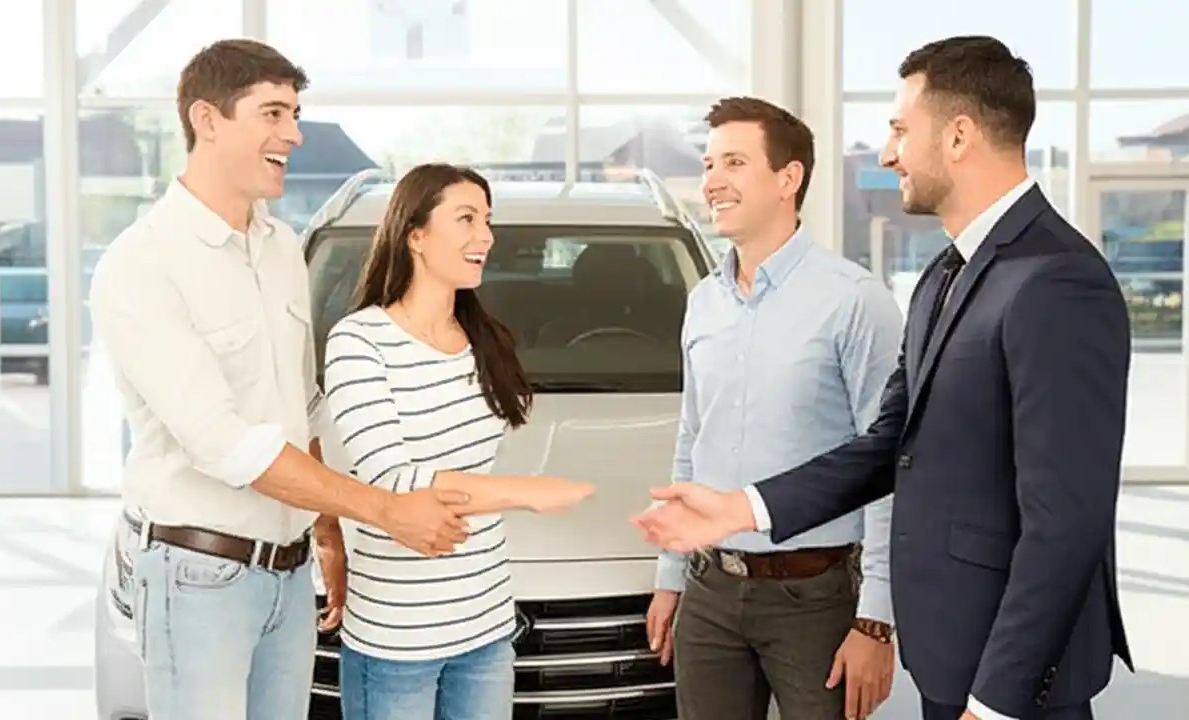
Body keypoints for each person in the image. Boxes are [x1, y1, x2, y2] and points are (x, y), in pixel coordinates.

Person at [633, 35, 1134, 720]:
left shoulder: (1058, 281)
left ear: (958, 136)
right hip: (953, 655)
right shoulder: (942, 279)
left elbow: (1067, 523)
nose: (890, 152)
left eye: (901, 129)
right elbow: (887, 446)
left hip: (1012, 683)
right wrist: (744, 508)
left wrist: (994, 703)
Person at [89, 40, 476, 719]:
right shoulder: (142, 264)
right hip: (198, 575)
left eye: (294, 113)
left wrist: (327, 533)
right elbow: (227, 446)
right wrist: (384, 511)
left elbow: (302, 409)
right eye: (273, 113)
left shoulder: (278, 249)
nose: (293, 134)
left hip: (288, 573)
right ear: (207, 119)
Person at [645, 96, 901, 720]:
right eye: (709, 163)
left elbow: (892, 463)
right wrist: (670, 574)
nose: (711, 181)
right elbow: (692, 440)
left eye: (734, 162)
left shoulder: (854, 301)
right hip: (709, 589)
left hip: (813, 598)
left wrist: (877, 622)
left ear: (789, 179)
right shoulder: (703, 302)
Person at [318, 163, 594, 720]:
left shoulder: (482, 340)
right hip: (397, 634)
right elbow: (394, 481)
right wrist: (528, 491)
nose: (486, 236)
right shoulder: (360, 341)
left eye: (487, 220)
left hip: (486, 625)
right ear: (414, 234)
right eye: (466, 218)